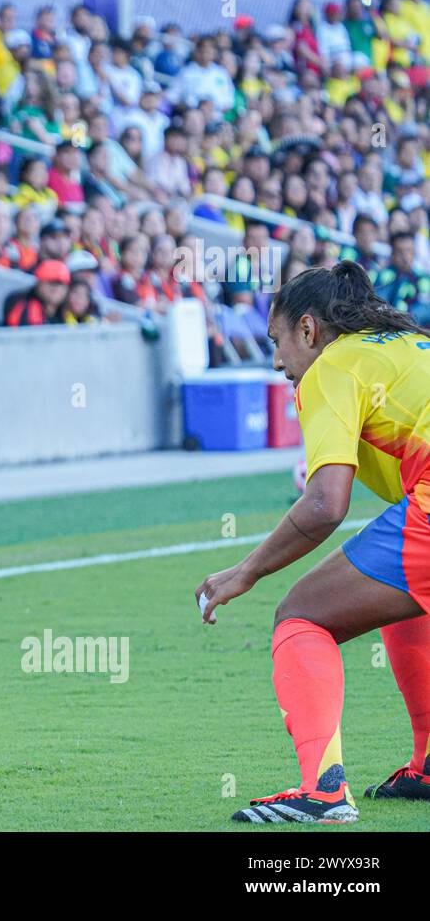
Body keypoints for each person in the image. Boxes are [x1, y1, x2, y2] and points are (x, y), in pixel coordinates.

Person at [195, 261, 430, 824]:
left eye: (277, 341)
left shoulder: (332, 367)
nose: (276, 361)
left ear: (308, 330)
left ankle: (323, 790)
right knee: (404, 601)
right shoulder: (407, 343)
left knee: (302, 616)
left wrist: (245, 571)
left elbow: (327, 506)